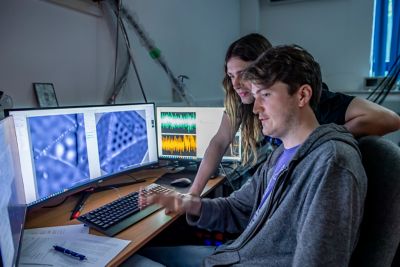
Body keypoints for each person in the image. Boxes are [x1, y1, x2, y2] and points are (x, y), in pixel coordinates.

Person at [131, 44, 368, 266]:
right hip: (237, 254)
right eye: (255, 97)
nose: (255, 109)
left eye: (265, 95)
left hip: (244, 258)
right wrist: (186, 204)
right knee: (137, 255)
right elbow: (238, 209)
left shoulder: (331, 165)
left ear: (302, 95)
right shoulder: (280, 156)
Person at [189, 33, 400, 196]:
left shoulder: (315, 103)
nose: (236, 85)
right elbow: (219, 142)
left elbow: (390, 119)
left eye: (243, 74)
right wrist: (193, 195)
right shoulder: (242, 99)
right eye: (230, 75)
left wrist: (322, 139)